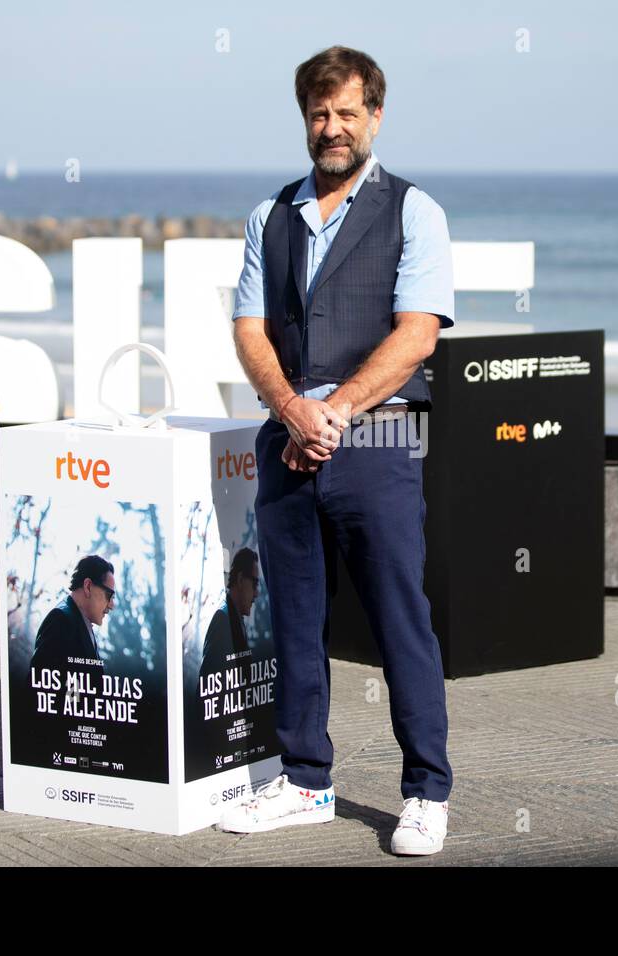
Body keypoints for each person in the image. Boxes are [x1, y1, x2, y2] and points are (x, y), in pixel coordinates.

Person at [219, 45, 453, 855]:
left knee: (400, 622)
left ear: (375, 116)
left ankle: (426, 792)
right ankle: (305, 780)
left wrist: (339, 410)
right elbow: (250, 330)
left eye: (347, 112)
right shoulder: (270, 216)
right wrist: (291, 409)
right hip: (288, 442)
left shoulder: (414, 211)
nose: (332, 128)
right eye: (319, 114)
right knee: (295, 622)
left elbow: (417, 335)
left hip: (378, 440)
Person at [29, 555, 116, 674]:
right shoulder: (60, 621)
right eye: (109, 595)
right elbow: (39, 684)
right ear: (88, 586)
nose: (112, 605)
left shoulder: (79, 622)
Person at [199, 548, 259, 680]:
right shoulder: (222, 620)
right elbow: (208, 683)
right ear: (240, 579)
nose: (256, 593)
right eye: (254, 583)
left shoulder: (235, 619)